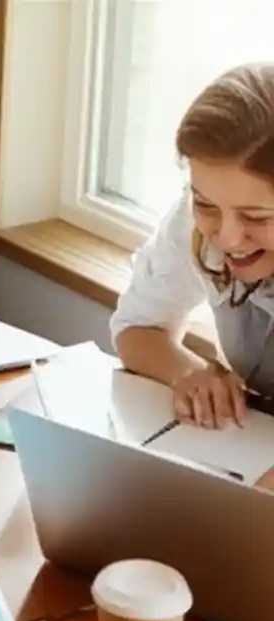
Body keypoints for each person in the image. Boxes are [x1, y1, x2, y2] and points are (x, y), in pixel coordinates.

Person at [111, 62, 274, 431]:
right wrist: (188, 370)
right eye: (205, 204)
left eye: (258, 218)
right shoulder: (201, 217)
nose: (229, 238)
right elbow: (137, 328)